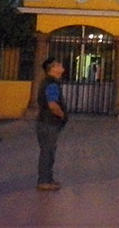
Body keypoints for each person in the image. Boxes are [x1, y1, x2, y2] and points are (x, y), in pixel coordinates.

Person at [36, 57, 68, 191]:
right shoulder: (52, 84)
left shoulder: (49, 83)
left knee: (48, 151)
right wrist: (63, 115)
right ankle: (44, 181)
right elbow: (52, 104)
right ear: (52, 69)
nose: (61, 66)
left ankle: (47, 179)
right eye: (58, 65)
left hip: (45, 121)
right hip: (49, 122)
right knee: (47, 152)